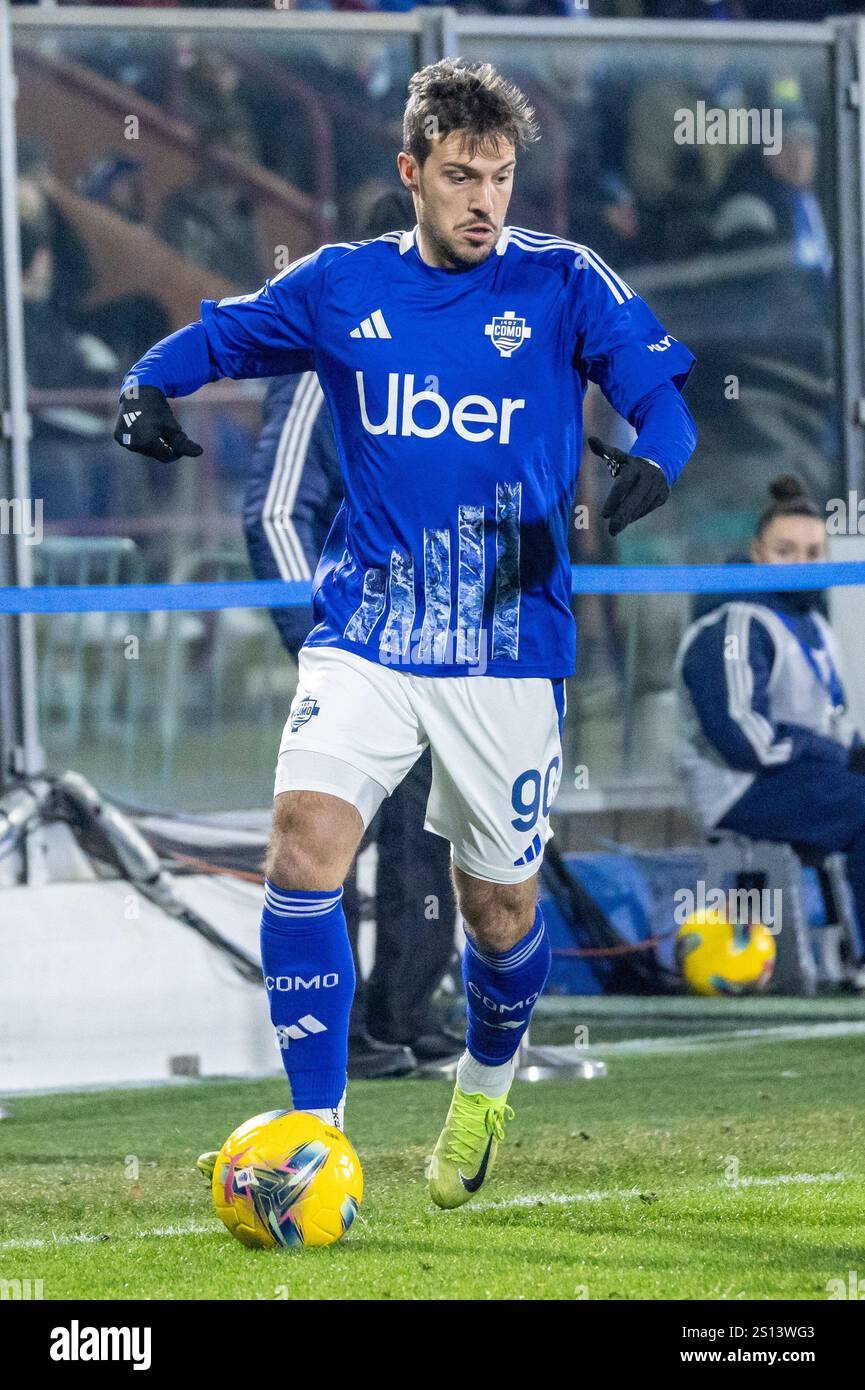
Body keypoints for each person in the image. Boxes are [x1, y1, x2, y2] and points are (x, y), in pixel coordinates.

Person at [114, 59, 696, 1208]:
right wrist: (146, 382)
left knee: (499, 910)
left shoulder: (563, 281)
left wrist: (655, 462)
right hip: (368, 631)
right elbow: (226, 337)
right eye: (461, 176)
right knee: (302, 848)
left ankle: (482, 1084)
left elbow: (662, 392)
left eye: (502, 177)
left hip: (505, 645)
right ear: (410, 174)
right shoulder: (339, 286)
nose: (485, 199)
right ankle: (315, 1134)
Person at [244, 195, 462, 1076]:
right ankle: (327, 1037)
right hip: (352, 641)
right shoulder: (320, 363)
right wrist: (323, 636)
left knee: (430, 830)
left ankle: (400, 1018)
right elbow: (271, 508)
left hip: (446, 643)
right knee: (328, 838)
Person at [676, 475, 865, 969]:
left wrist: (851, 750)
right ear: (757, 553)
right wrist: (836, 754)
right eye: (786, 550)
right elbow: (746, 743)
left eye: (812, 552)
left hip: (796, 775)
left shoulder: (815, 624)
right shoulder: (735, 623)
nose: (801, 565)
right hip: (738, 788)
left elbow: (832, 721)